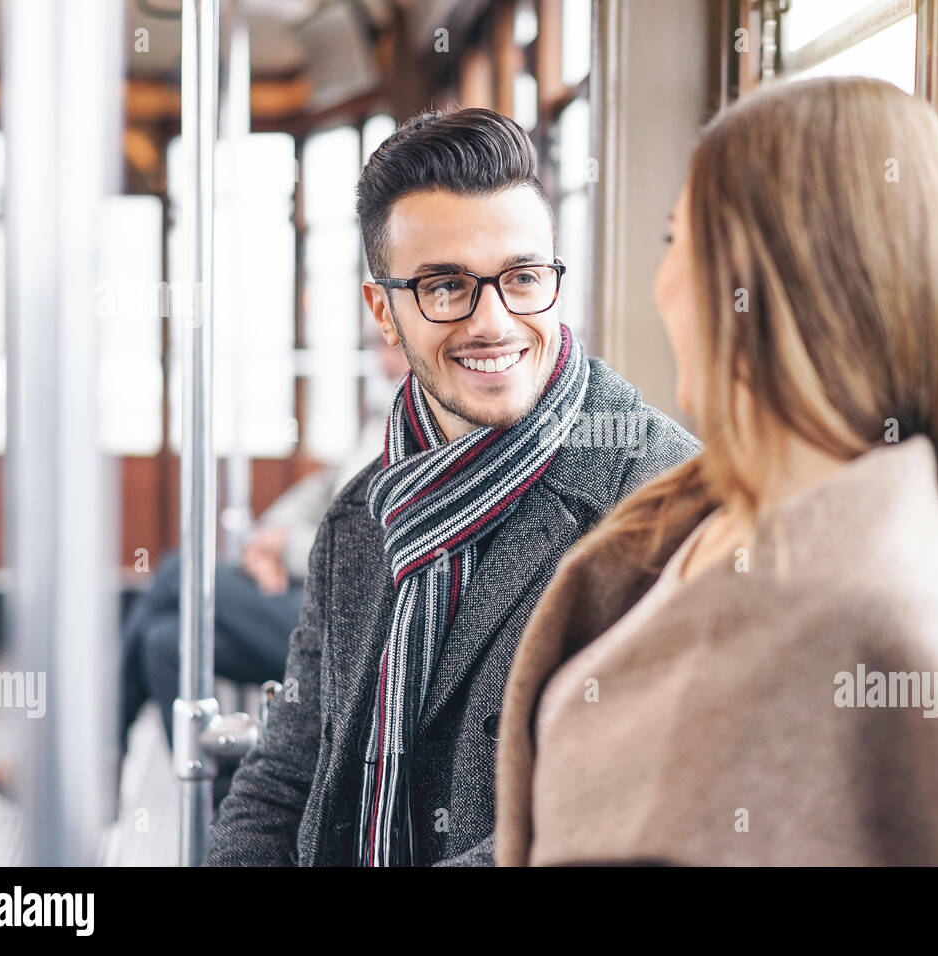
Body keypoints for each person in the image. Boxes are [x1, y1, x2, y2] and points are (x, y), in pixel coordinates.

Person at [494, 76, 938, 866]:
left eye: (678, 239)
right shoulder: (723, 519)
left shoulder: (861, 611)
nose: (663, 281)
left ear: (764, 284)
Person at [204, 107, 700, 867]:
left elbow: (611, 822)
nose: (493, 322)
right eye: (444, 286)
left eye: (523, 278)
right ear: (385, 312)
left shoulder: (659, 501)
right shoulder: (360, 519)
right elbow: (285, 776)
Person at [0, 342, 407, 809]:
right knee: (164, 642)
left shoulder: (416, 428)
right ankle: (225, 813)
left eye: (387, 346)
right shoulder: (383, 416)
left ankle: (103, 755)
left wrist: (283, 547)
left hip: (352, 625)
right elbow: (321, 492)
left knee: (176, 573)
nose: (381, 356)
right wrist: (264, 539)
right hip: (303, 590)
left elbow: (375, 540)